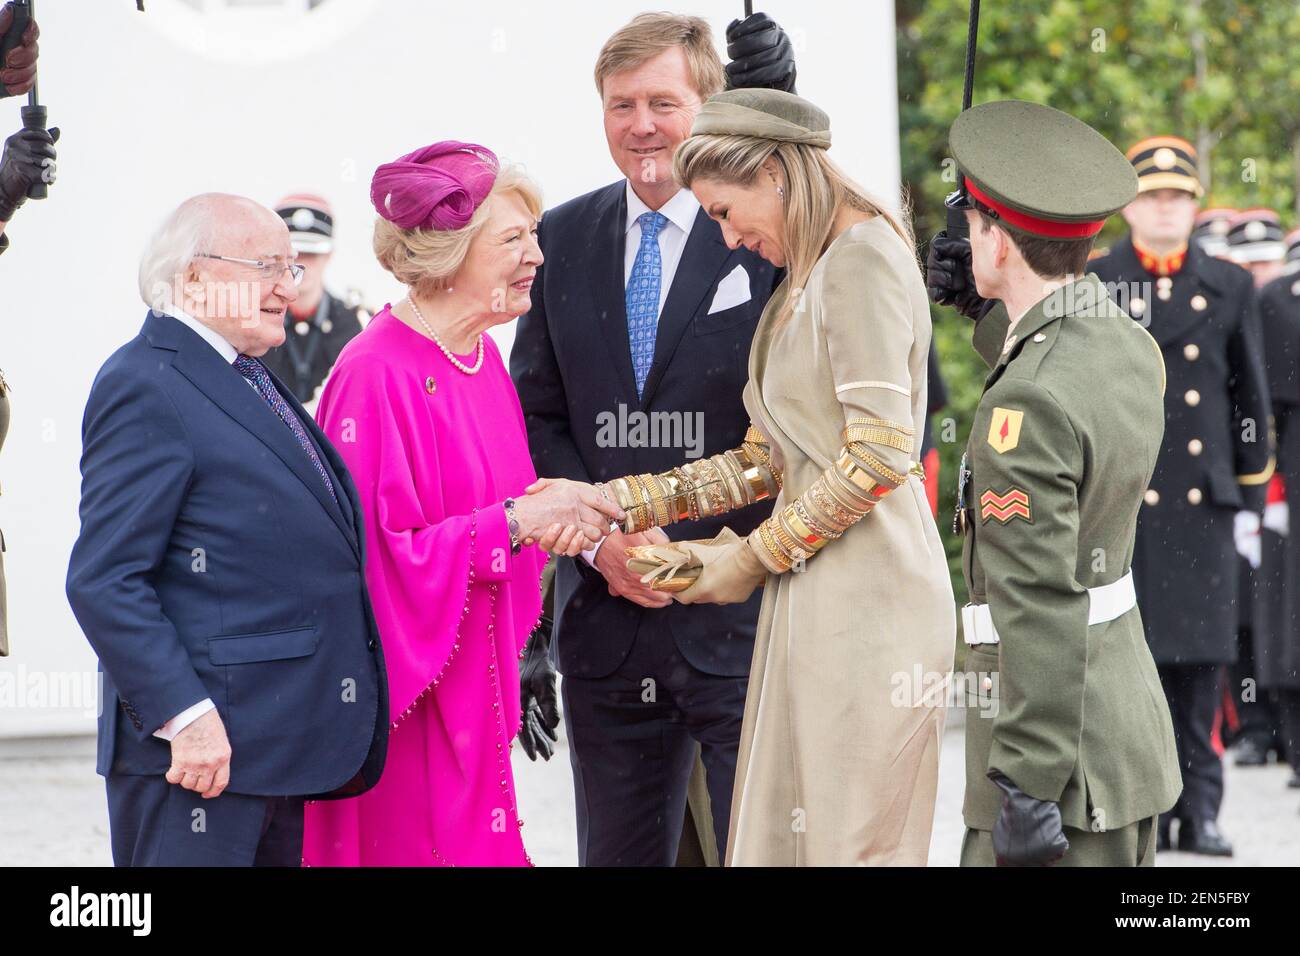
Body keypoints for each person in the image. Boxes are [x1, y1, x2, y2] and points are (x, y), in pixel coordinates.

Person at [616, 88, 955, 866]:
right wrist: (621, 501)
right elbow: (768, 459)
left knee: (849, 847)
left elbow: (878, 454)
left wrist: (746, 559)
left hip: (875, 599)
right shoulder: (807, 275)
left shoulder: (863, 257)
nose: (730, 239)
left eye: (726, 212)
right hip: (816, 590)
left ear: (773, 171)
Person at [510, 11, 794, 866]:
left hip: (738, 613)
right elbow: (537, 415)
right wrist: (598, 544)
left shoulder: (765, 233)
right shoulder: (557, 239)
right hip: (605, 619)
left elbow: (803, 412)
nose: (640, 125)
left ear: (707, 106)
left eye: (662, 102)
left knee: (759, 851)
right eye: (620, 104)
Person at [301, 142, 624, 866]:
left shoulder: (480, 359)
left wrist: (551, 526)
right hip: (409, 721)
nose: (537, 257)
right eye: (513, 239)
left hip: (471, 706)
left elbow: (507, 518)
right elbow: (374, 566)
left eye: (534, 237)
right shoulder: (373, 375)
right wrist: (517, 523)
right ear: (448, 255)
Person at [66, 193, 389, 866]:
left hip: (268, 748)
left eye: (292, 267)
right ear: (193, 277)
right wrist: (184, 716)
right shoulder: (146, 381)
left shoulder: (240, 373)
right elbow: (105, 579)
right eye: (267, 265)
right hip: (198, 759)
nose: (288, 285)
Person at [928, 101, 1181, 866]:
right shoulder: (1129, 343)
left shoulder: (1025, 402)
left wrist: (1027, 783)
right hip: (1119, 735)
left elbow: (1036, 602)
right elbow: (1066, 374)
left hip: (1056, 767)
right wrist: (990, 302)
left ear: (999, 240)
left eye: (975, 231)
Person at [1090, 136, 1272, 856]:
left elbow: (1247, 393)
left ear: (1195, 206)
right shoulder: (1100, 280)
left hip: (1204, 507)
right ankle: (1147, 812)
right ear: (1130, 205)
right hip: (1130, 505)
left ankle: (1200, 812)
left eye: (1179, 197)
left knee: (1201, 668)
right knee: (1133, 669)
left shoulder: (1228, 283)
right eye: (1153, 196)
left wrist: (1253, 501)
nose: (1166, 209)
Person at [1251, 226, 1300, 789]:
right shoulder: (1276, 303)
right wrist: (1272, 488)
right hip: (1289, 477)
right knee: (1287, 616)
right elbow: (1262, 405)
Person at [259, 194, 367, 408]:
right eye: (294, 254)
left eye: (313, 253)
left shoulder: (358, 323)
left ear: (329, 255)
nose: (303, 263)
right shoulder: (253, 321)